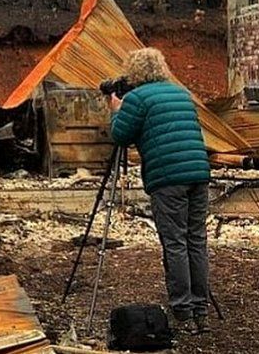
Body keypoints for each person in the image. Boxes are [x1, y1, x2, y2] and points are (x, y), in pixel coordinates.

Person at [108, 47, 211, 336]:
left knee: (175, 243)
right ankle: (200, 310)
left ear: (135, 72)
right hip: (198, 174)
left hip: (168, 179)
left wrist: (115, 111)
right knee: (196, 240)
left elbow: (120, 136)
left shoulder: (138, 98)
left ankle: (183, 310)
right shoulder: (180, 92)